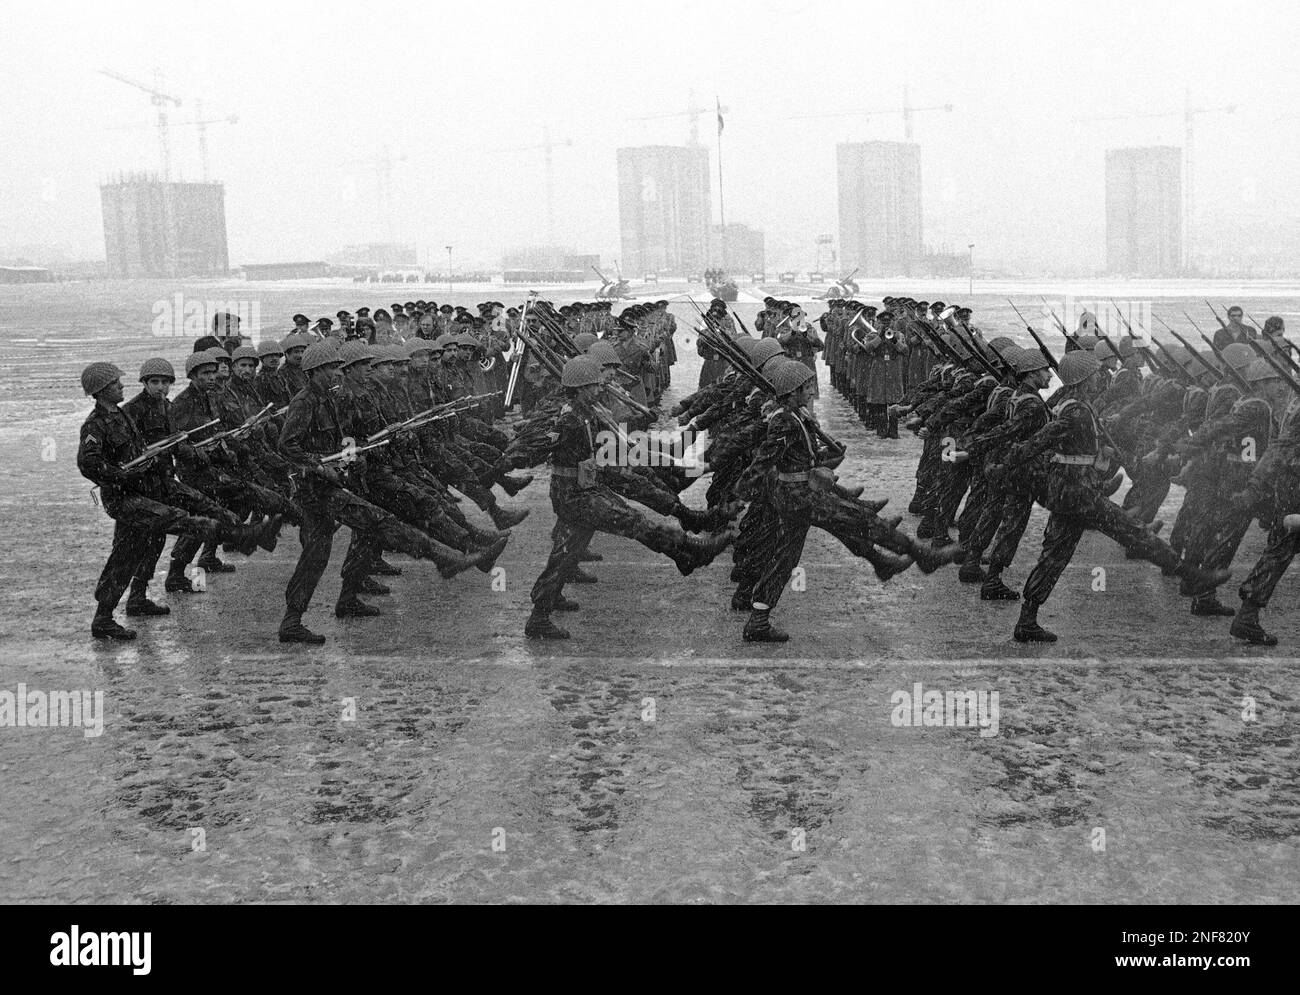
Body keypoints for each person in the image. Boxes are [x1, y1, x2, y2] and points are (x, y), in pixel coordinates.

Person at [525, 357, 731, 640]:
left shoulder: (587, 413)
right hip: (573, 494)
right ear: (579, 388)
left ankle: (541, 612)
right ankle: (688, 551)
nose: (600, 389)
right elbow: (536, 448)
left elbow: (605, 447)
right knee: (633, 521)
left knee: (566, 552)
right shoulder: (568, 419)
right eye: (593, 386)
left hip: (586, 487)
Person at [76, 362, 277, 640]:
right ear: (100, 390)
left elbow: (142, 447)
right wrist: (121, 475)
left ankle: (133, 601)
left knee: (144, 544)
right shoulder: (96, 424)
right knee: (176, 521)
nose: (121, 386)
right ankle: (242, 535)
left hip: (149, 486)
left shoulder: (121, 415)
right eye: (114, 384)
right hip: (125, 498)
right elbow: (88, 464)